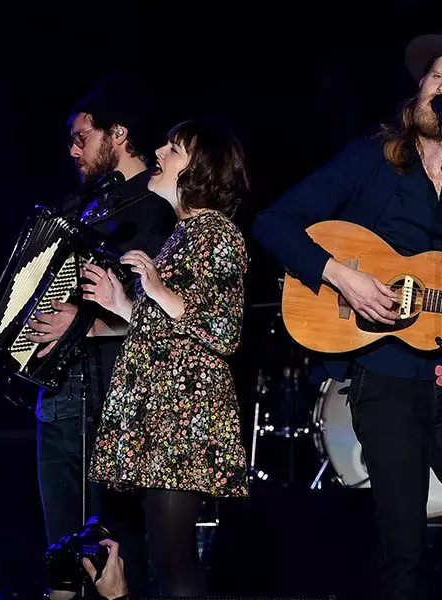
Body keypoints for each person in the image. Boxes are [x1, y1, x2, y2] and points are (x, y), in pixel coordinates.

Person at [252, 27, 442, 600]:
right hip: (384, 376)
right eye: (435, 75)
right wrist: (342, 275)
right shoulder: (369, 160)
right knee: (403, 546)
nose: (440, 87)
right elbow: (274, 222)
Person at [81, 119, 251, 597]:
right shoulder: (185, 234)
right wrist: (125, 305)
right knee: (164, 561)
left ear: (200, 170)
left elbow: (223, 331)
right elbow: (172, 332)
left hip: (182, 421)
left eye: (174, 148)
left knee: (175, 566)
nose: (159, 149)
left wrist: (157, 289)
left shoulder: (216, 232)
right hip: (164, 419)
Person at [23, 72, 176, 595]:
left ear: (119, 134)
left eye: (81, 137)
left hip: (114, 398)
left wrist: (79, 327)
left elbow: (163, 314)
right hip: (58, 394)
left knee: (113, 554)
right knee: (60, 561)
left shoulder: (159, 205)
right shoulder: (85, 207)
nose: (72, 150)